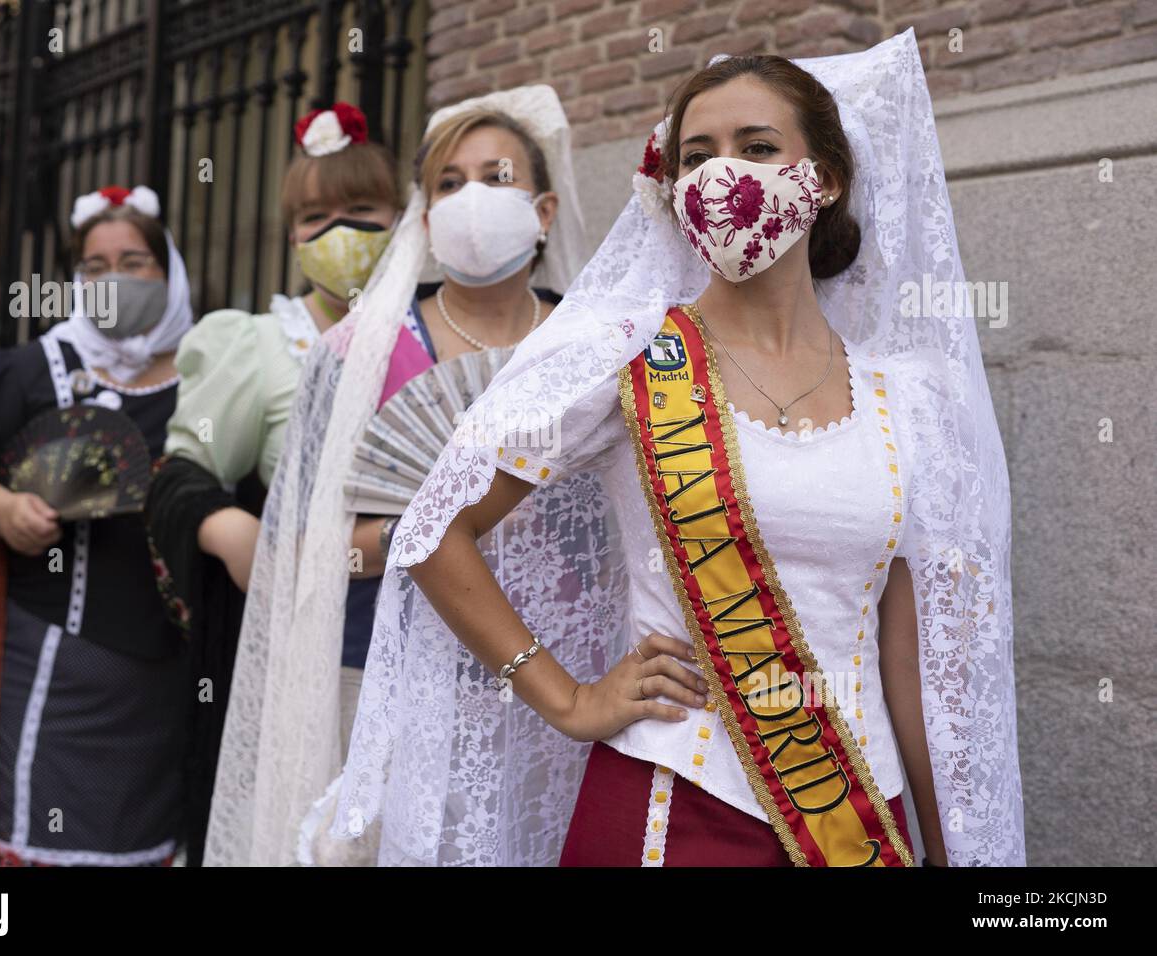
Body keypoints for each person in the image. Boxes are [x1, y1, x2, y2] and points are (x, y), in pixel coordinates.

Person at [332, 31, 1025, 867]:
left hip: (857, 820)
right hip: (669, 806)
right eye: (696, 156)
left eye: (758, 147)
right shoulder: (625, 359)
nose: (722, 174)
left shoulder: (909, 400)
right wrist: (567, 698)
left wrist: (947, 848)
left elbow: (907, 657)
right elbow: (434, 528)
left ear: (825, 179)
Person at [203, 85, 606, 867]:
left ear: (546, 210)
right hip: (381, 682)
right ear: (424, 218)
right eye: (449, 184)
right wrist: (419, 535)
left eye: (497, 177)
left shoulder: (592, 346)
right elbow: (302, 552)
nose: (472, 199)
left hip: (560, 680)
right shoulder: (358, 355)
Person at [0, 184, 194, 866]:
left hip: (165, 685)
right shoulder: (35, 368)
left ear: (169, 272)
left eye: (133, 262)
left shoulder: (209, 373)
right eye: (94, 268)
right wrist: (5, 511)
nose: (113, 280)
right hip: (45, 676)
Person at [144, 102, 400, 864]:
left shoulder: (437, 329)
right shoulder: (260, 345)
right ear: (291, 235)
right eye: (315, 216)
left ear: (401, 217)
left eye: (362, 210)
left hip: (450, 632)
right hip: (317, 645)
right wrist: (233, 533)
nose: (339, 233)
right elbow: (181, 471)